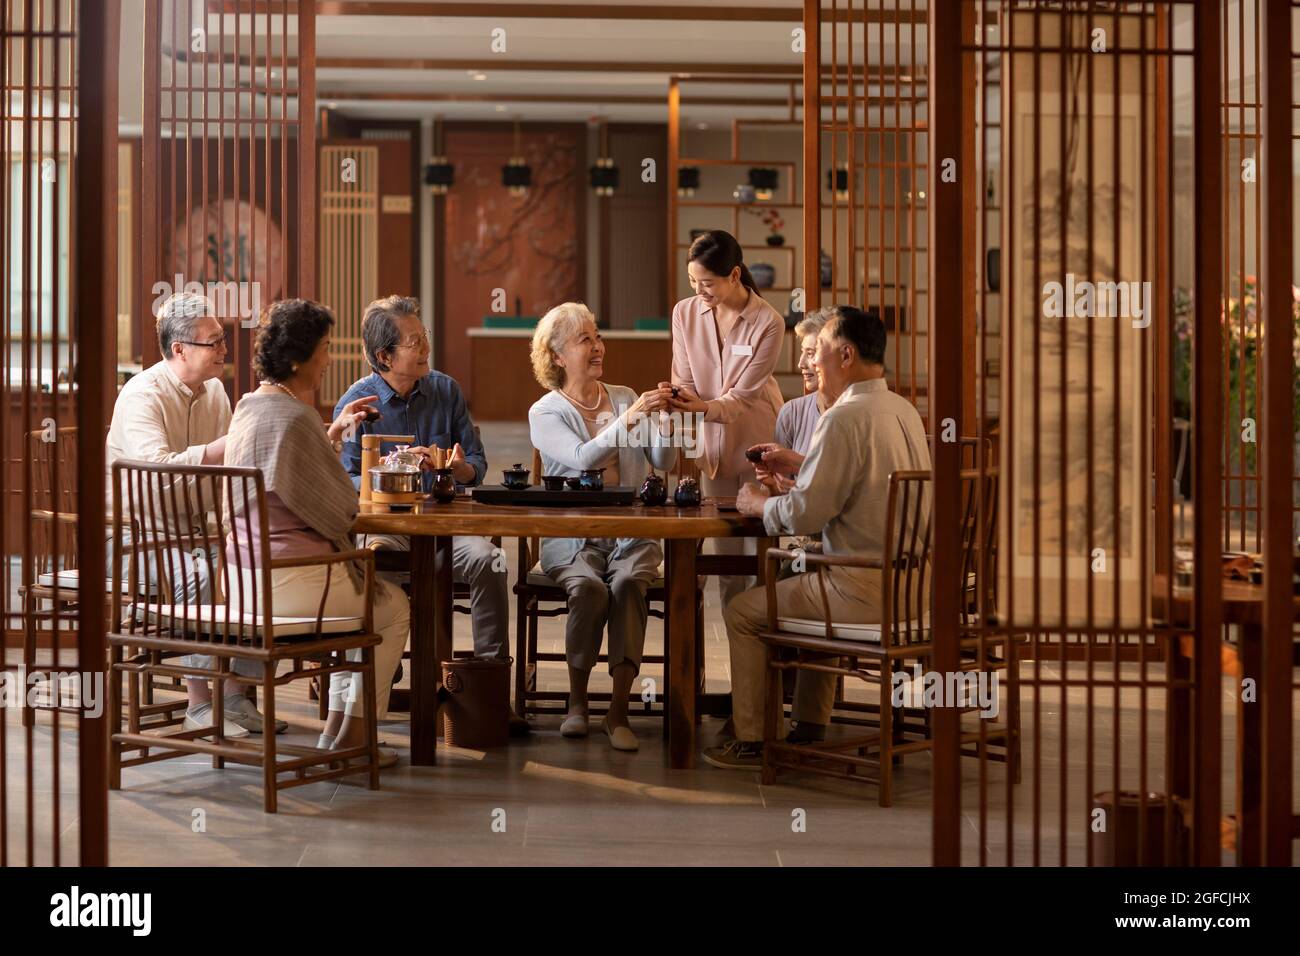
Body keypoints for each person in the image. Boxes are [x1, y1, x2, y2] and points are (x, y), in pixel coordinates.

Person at [704, 306, 931, 769]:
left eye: (817, 352)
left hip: (859, 589)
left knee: (744, 610)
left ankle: (753, 737)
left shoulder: (843, 417)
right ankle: (809, 724)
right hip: (915, 590)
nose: (810, 363)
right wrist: (801, 468)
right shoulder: (901, 409)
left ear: (845, 355)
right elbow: (859, 487)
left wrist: (758, 505)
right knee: (800, 577)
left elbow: (805, 515)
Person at [224, 299, 409, 767]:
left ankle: (337, 732)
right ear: (296, 359)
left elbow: (282, 472)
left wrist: (332, 434)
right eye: (324, 349)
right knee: (391, 607)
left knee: (367, 607)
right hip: (296, 586)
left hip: (243, 583)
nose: (329, 359)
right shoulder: (297, 417)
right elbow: (341, 509)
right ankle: (353, 736)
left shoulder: (248, 409)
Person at [332, 295, 527, 735]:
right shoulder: (356, 404)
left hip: (447, 526)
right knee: (374, 561)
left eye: (425, 338)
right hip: (389, 528)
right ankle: (381, 672)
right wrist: (392, 472)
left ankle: (489, 690)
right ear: (384, 356)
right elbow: (343, 482)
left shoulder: (445, 389)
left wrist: (457, 468)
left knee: (490, 562)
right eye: (415, 341)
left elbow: (476, 462)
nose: (425, 349)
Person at [105, 291, 282, 737]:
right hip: (133, 539)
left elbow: (229, 472)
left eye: (223, 340)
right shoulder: (142, 395)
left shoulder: (216, 391)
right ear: (179, 349)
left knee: (252, 570)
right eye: (214, 342)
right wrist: (223, 447)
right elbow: (155, 475)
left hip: (196, 535)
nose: (225, 350)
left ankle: (236, 696)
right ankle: (199, 702)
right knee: (200, 578)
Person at [528, 302, 677, 752]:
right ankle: (577, 703)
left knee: (630, 581)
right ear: (557, 356)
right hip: (571, 536)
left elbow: (664, 462)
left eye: (598, 337)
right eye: (584, 340)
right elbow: (581, 459)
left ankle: (618, 709)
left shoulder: (626, 395)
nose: (598, 347)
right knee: (589, 588)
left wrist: (663, 418)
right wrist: (631, 419)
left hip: (632, 533)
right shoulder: (546, 411)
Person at [663, 230, 784, 611]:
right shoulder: (685, 313)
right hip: (712, 445)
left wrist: (699, 406)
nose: (700, 290)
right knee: (726, 557)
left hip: (758, 443)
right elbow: (684, 377)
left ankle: (766, 651)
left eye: (708, 283)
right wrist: (678, 397)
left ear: (734, 275)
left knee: (762, 557)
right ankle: (741, 655)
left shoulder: (768, 322)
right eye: (693, 282)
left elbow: (744, 398)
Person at [757, 307, 833, 494]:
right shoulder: (791, 412)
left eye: (810, 353)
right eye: (802, 352)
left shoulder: (857, 414)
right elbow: (776, 492)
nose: (801, 364)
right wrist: (771, 484)